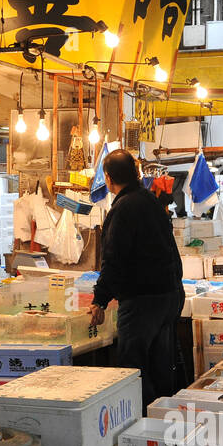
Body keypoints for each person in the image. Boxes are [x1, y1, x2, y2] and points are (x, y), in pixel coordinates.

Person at [89, 150, 184, 407]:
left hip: (142, 301)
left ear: (108, 179)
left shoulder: (123, 208)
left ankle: (141, 428)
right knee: (160, 366)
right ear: (136, 173)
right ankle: (163, 423)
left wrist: (99, 300)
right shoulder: (151, 201)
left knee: (134, 369)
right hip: (169, 296)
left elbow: (114, 259)